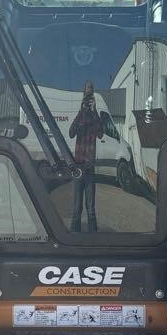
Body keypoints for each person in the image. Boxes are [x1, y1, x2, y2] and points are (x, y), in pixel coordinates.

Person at [68, 80, 104, 232]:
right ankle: (74, 238)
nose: (88, 95)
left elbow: (100, 133)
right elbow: (71, 133)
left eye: (91, 92)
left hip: (89, 168)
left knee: (91, 208)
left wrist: (94, 110)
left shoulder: (95, 116)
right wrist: (80, 111)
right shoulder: (81, 115)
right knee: (77, 208)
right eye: (87, 92)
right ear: (83, 95)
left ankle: (93, 238)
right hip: (78, 168)